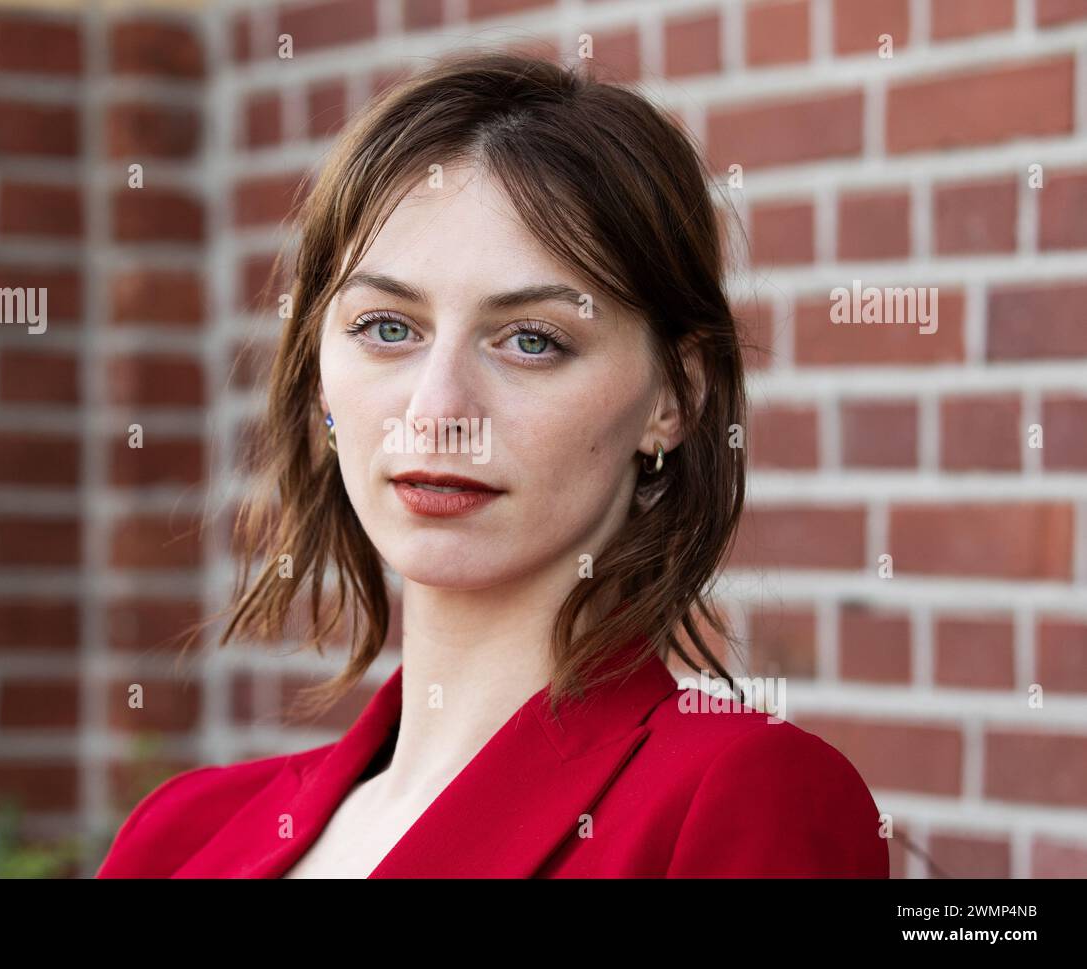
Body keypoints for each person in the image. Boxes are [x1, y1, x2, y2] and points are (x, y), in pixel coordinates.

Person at [97, 49, 889, 879]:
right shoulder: (182, 832)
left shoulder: (741, 794)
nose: (438, 412)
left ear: (673, 398)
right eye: (387, 328)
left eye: (532, 341)